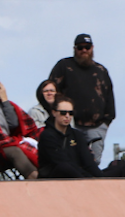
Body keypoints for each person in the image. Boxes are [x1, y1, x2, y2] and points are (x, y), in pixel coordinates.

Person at [49, 34, 115, 164]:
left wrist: (106, 122)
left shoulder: (101, 70)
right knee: (71, 162)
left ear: (92, 48)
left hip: (97, 127)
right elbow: (51, 91)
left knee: (93, 163)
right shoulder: (64, 66)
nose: (84, 50)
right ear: (75, 49)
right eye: (80, 47)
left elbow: (109, 97)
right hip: (70, 125)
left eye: (87, 47)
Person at [37, 95, 103, 179]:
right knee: (64, 167)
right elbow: (62, 163)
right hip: (53, 180)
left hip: (79, 176)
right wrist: (88, 179)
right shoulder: (47, 136)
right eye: (63, 113)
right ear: (54, 113)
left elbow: (88, 163)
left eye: (71, 113)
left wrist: (102, 180)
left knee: (120, 167)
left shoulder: (77, 135)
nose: (67, 116)